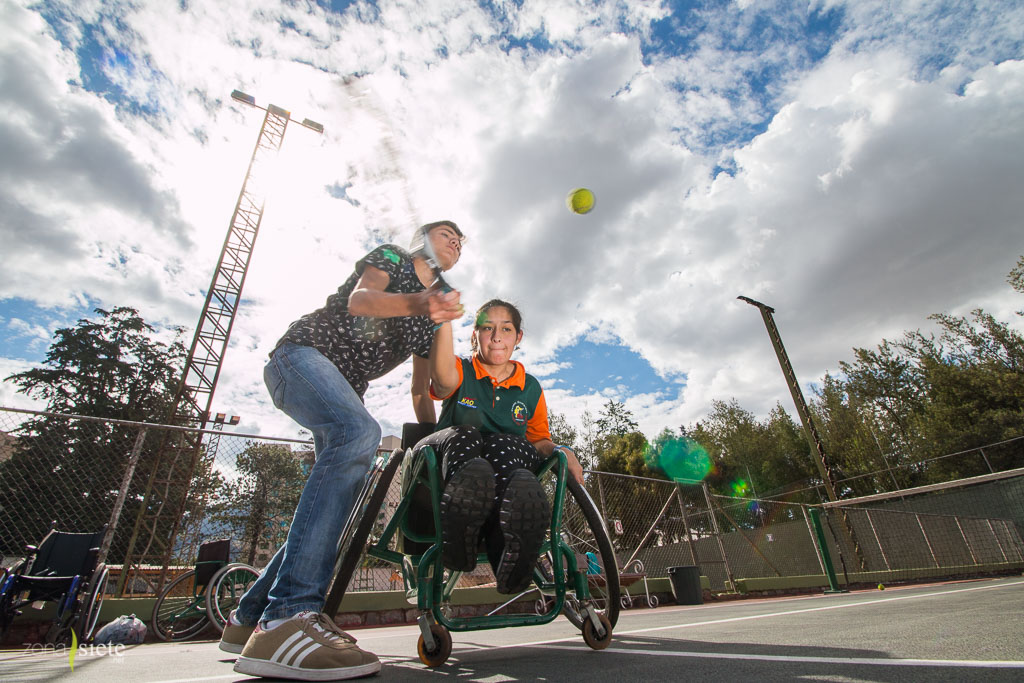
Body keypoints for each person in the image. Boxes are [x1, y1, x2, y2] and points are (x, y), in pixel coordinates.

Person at [221, 221, 465, 681]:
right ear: (422, 241)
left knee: (333, 507)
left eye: (461, 240)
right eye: (447, 233)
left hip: (343, 389)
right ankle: (286, 616)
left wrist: (434, 452)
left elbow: (420, 391)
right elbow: (360, 301)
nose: (456, 241)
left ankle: (248, 618)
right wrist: (421, 301)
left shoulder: (434, 309)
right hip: (301, 357)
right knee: (360, 434)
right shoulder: (394, 258)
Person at [414, 299, 583, 595]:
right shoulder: (460, 369)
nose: (496, 337)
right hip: (444, 466)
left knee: (509, 446)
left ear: (518, 338)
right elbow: (440, 384)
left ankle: (509, 556)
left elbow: (539, 439)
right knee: (467, 437)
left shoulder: (529, 387)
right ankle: (458, 537)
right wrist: (444, 319)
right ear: (474, 336)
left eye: (506, 329)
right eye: (487, 328)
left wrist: (562, 450)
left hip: (498, 480)